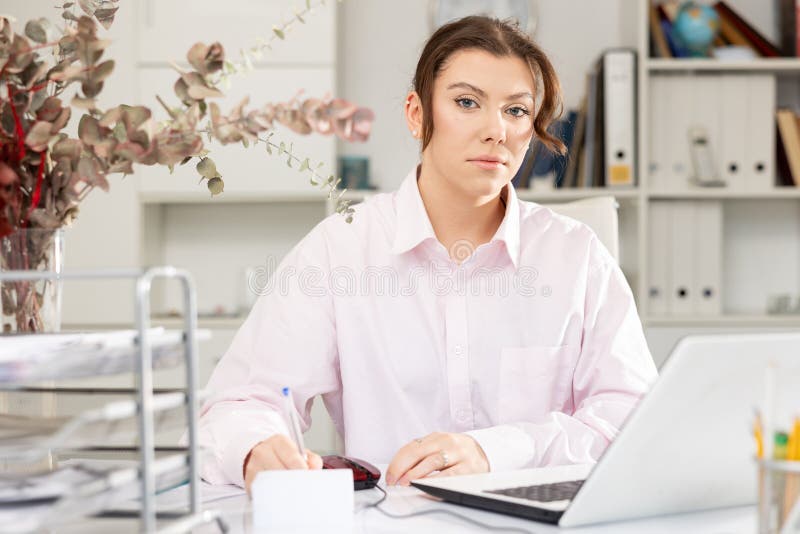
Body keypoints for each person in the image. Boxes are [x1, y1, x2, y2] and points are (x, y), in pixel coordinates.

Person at [198, 15, 657, 492]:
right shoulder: (340, 252)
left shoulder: (576, 255)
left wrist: (495, 451)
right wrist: (258, 450)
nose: (496, 130)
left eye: (517, 111)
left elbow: (633, 416)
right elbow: (241, 403)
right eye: (466, 102)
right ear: (417, 113)